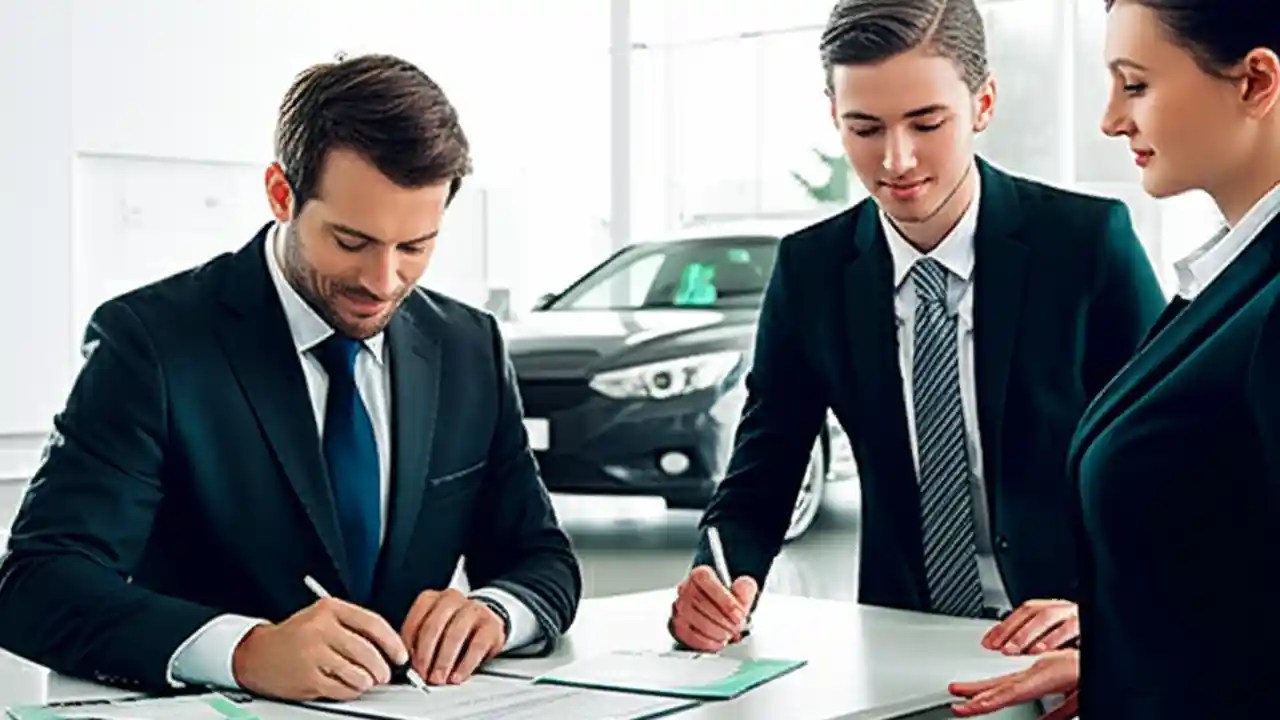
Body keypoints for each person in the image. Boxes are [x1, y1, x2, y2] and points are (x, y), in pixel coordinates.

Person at [0, 54, 581, 702]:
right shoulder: (152, 342)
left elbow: (542, 559)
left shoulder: (469, 346)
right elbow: (38, 584)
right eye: (351, 242)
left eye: (415, 246)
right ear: (281, 194)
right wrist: (244, 650)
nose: (383, 281)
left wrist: (496, 611)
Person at [668, 0, 1165, 657]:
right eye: (865, 128)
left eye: (926, 123)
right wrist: (717, 578)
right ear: (834, 116)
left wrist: (1101, 610)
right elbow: (763, 472)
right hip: (901, 643)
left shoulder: (1087, 245)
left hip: (1071, 642)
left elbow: (1167, 469)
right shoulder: (811, 270)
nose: (896, 160)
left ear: (983, 104)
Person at [951, 1, 1280, 716]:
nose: (1110, 120)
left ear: (1255, 82)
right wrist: (1113, 661)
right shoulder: (1228, 285)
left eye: (1135, 85)